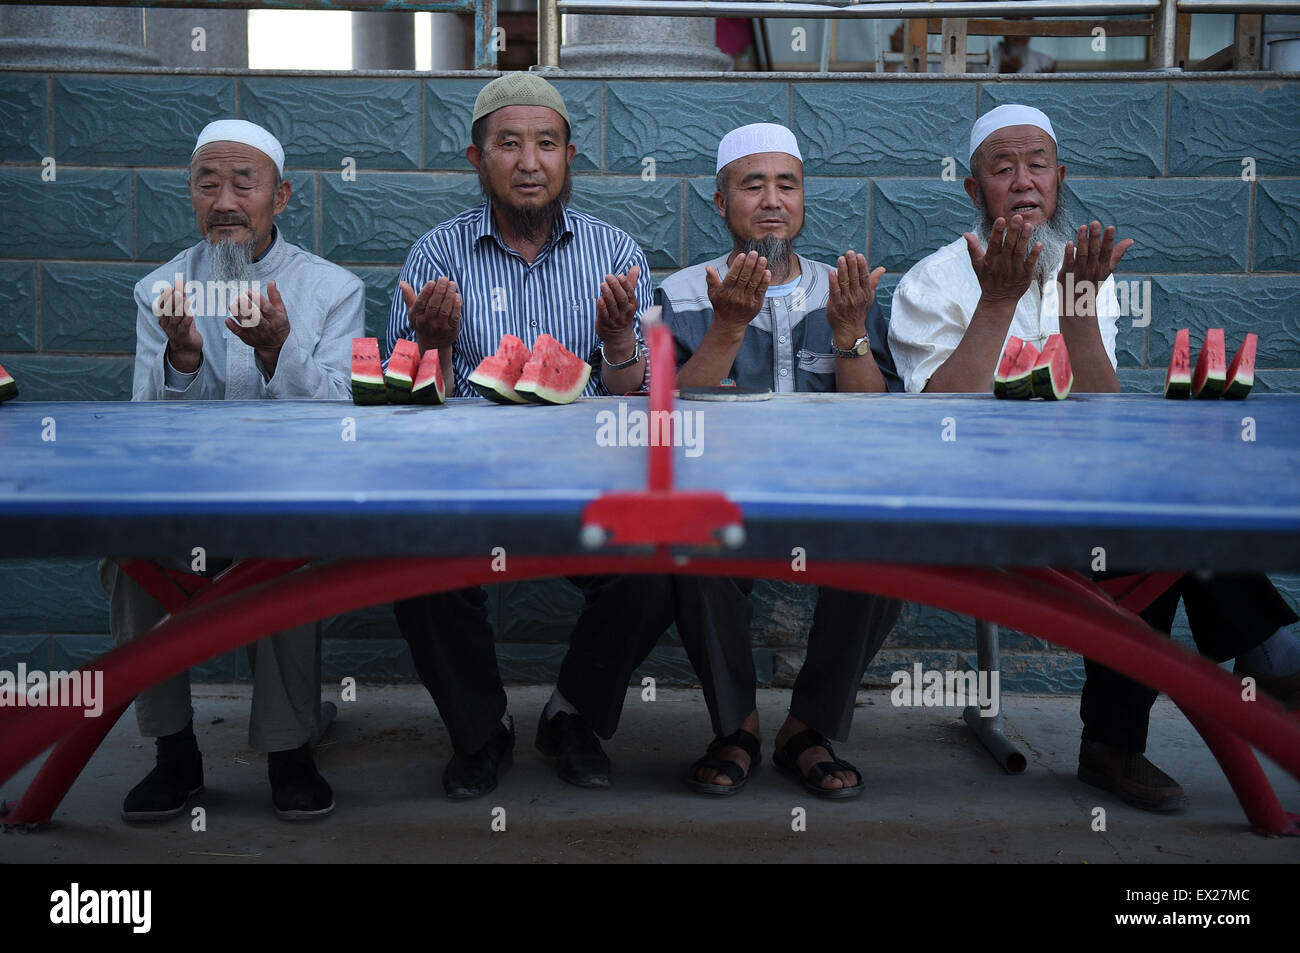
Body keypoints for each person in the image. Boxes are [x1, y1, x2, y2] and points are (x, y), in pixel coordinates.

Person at [887, 103, 1300, 812]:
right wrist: (998, 303)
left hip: (1079, 488)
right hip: (976, 495)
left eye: (1037, 165)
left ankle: (1150, 725)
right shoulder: (931, 282)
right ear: (972, 188)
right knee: (1156, 531)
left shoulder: (1076, 270)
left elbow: (1104, 411)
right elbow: (935, 423)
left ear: (1060, 178)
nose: (1023, 181)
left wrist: (1079, 312)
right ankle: (1253, 657)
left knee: (1163, 510)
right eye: (1003, 167)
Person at [385, 72, 669, 799]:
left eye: (546, 143)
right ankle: (482, 731)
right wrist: (438, 350)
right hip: (466, 486)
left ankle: (572, 715)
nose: (530, 161)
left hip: (593, 479)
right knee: (416, 570)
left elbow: (642, 400)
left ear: (570, 155)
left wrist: (614, 344)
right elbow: (406, 407)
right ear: (477, 159)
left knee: (661, 566)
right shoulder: (433, 258)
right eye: (508, 144)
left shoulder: (617, 254)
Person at [106, 119, 366, 821]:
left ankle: (289, 750)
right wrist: (184, 359)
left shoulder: (331, 289)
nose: (224, 200)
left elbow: (342, 418)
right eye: (207, 183)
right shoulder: (159, 290)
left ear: (279, 197)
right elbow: (144, 427)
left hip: (289, 493)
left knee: (282, 549)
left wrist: (279, 352)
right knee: (130, 555)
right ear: (190, 195)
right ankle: (174, 750)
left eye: (242, 183)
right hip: (186, 500)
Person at [651, 123, 904, 798]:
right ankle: (737, 726)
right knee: (688, 542)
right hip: (721, 492)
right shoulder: (679, 295)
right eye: (751, 184)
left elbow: (875, 422)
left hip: (833, 493)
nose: (771, 199)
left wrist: (849, 334)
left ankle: (807, 727)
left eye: (786, 184)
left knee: (887, 548)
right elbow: (668, 427)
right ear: (719, 201)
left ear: (803, 198)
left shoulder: (845, 289)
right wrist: (728, 324)